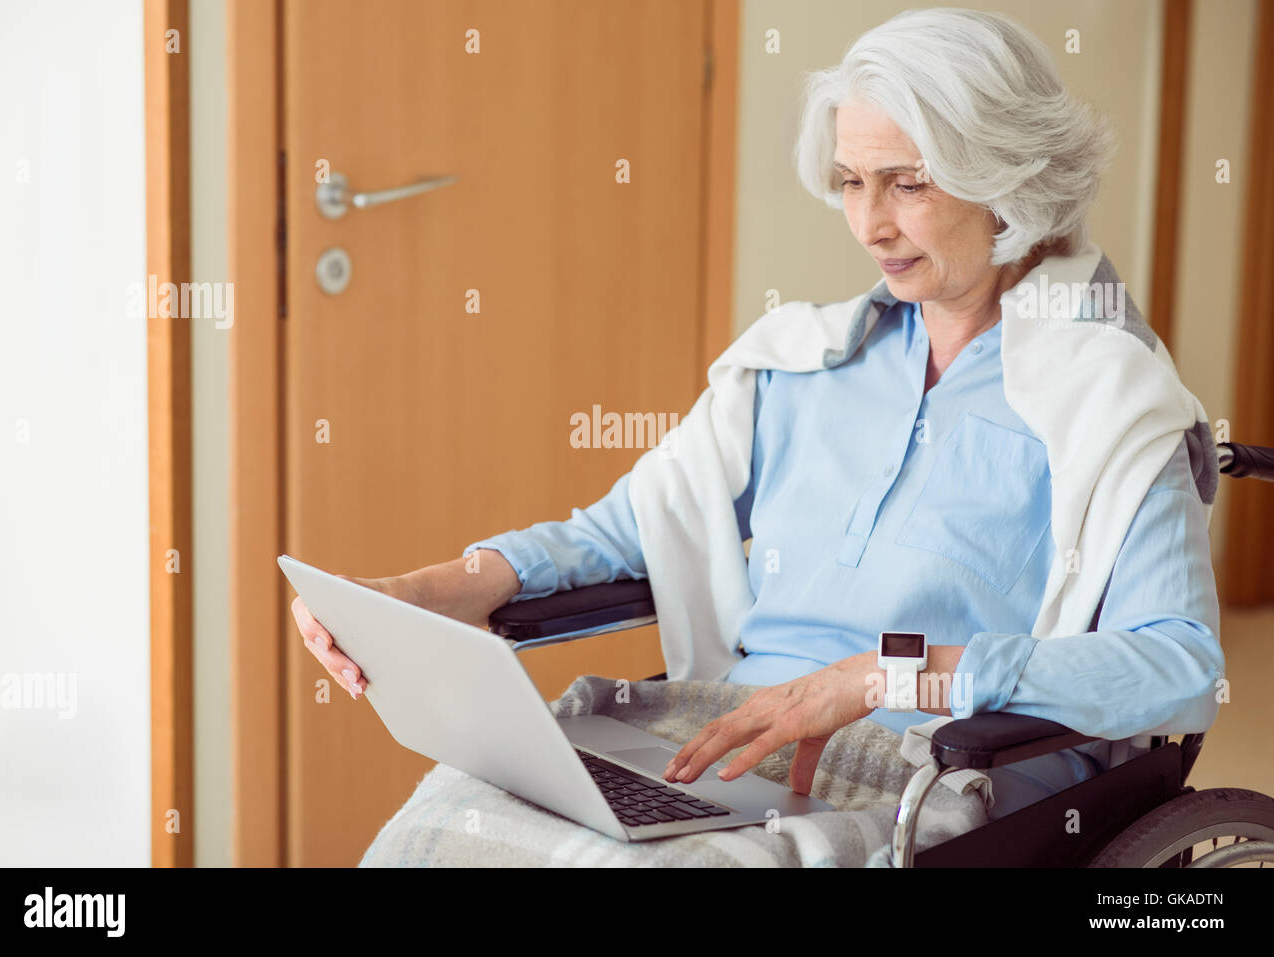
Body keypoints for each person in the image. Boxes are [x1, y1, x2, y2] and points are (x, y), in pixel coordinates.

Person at [290, 7, 1223, 823]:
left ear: (1008, 178)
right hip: (728, 734)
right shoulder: (796, 364)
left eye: (907, 182)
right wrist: (444, 588)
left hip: (929, 775)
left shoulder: (1112, 400)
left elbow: (1179, 665)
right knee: (453, 816)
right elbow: (627, 531)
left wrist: (883, 671)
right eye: (852, 182)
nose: (870, 225)